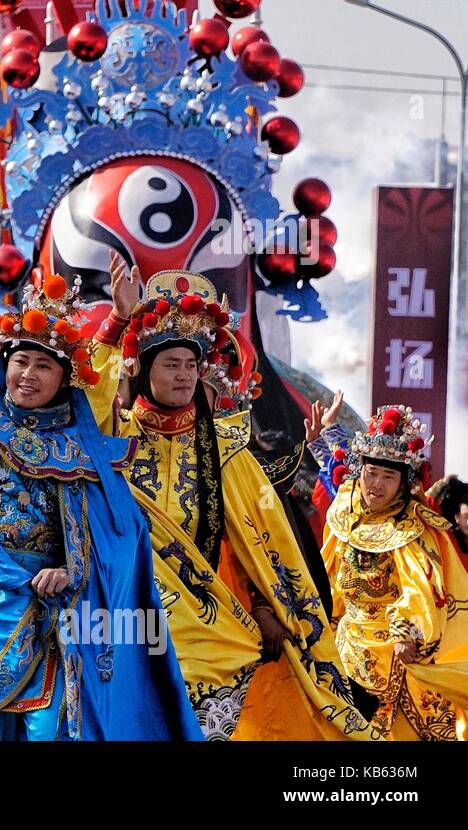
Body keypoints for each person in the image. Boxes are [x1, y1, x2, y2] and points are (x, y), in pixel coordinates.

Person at [0, 224, 198, 741]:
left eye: (43, 365)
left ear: (62, 378)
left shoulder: (82, 453)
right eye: (20, 360)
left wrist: (70, 570)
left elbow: (112, 535)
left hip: (57, 624)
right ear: (4, 365)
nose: (28, 374)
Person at [91, 254, 373, 740]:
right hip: (125, 624)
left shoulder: (226, 449)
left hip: (210, 633)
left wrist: (265, 605)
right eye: (170, 363)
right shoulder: (115, 439)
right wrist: (117, 320)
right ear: (144, 370)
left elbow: (262, 537)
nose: (183, 374)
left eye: (190, 364)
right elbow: (84, 397)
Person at [307, 404, 468, 740]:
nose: (376, 484)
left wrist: (404, 631)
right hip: (345, 641)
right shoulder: (349, 506)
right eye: (370, 473)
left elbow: (418, 586)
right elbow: (335, 470)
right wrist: (324, 434)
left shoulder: (411, 527)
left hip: (394, 652)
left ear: (404, 481)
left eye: (388, 476)